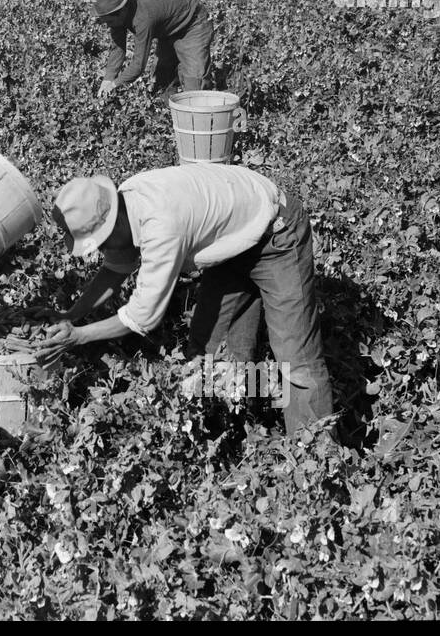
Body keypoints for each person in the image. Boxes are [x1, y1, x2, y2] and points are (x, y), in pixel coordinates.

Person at [37, 164, 335, 437]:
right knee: (208, 351)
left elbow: (143, 317)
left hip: (276, 233)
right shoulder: (124, 205)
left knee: (296, 359)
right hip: (231, 242)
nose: (101, 251)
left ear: (112, 223)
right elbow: (115, 269)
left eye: (100, 243)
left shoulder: (161, 225)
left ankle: (316, 459)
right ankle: (237, 435)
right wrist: (72, 313)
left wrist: (78, 337)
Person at [87, 0, 214, 98]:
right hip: (168, 27)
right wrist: (108, 79)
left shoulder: (143, 18)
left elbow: (138, 65)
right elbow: (118, 49)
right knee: (160, 79)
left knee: (195, 84)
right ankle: (169, 115)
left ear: (121, 12)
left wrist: (114, 85)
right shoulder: (116, 11)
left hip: (192, 24)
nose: (109, 26)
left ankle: (198, 117)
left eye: (109, 22)